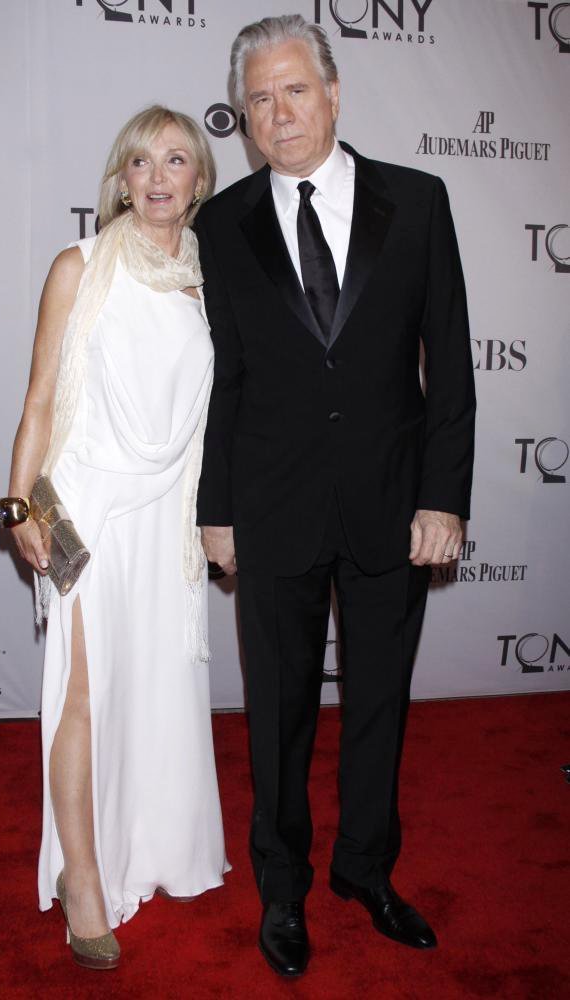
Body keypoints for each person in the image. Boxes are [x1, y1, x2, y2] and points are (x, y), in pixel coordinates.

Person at [196, 15, 475, 978]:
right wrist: (215, 508)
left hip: (393, 502)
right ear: (246, 118)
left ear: (335, 91)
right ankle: (284, 889)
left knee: (378, 705)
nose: (280, 114)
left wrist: (446, 495)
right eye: (261, 99)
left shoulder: (421, 202)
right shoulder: (220, 224)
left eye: (296, 90)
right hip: (269, 506)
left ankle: (365, 867)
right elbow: (224, 380)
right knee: (276, 712)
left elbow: (453, 361)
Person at [0, 106, 230, 970]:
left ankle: (155, 844)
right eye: (143, 163)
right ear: (121, 178)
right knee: (83, 698)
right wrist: (19, 508)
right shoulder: (80, 266)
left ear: (199, 180)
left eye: (178, 160)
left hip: (168, 513)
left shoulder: (213, 278)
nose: (160, 178)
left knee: (160, 688)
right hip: (87, 507)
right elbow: (39, 402)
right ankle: (83, 881)